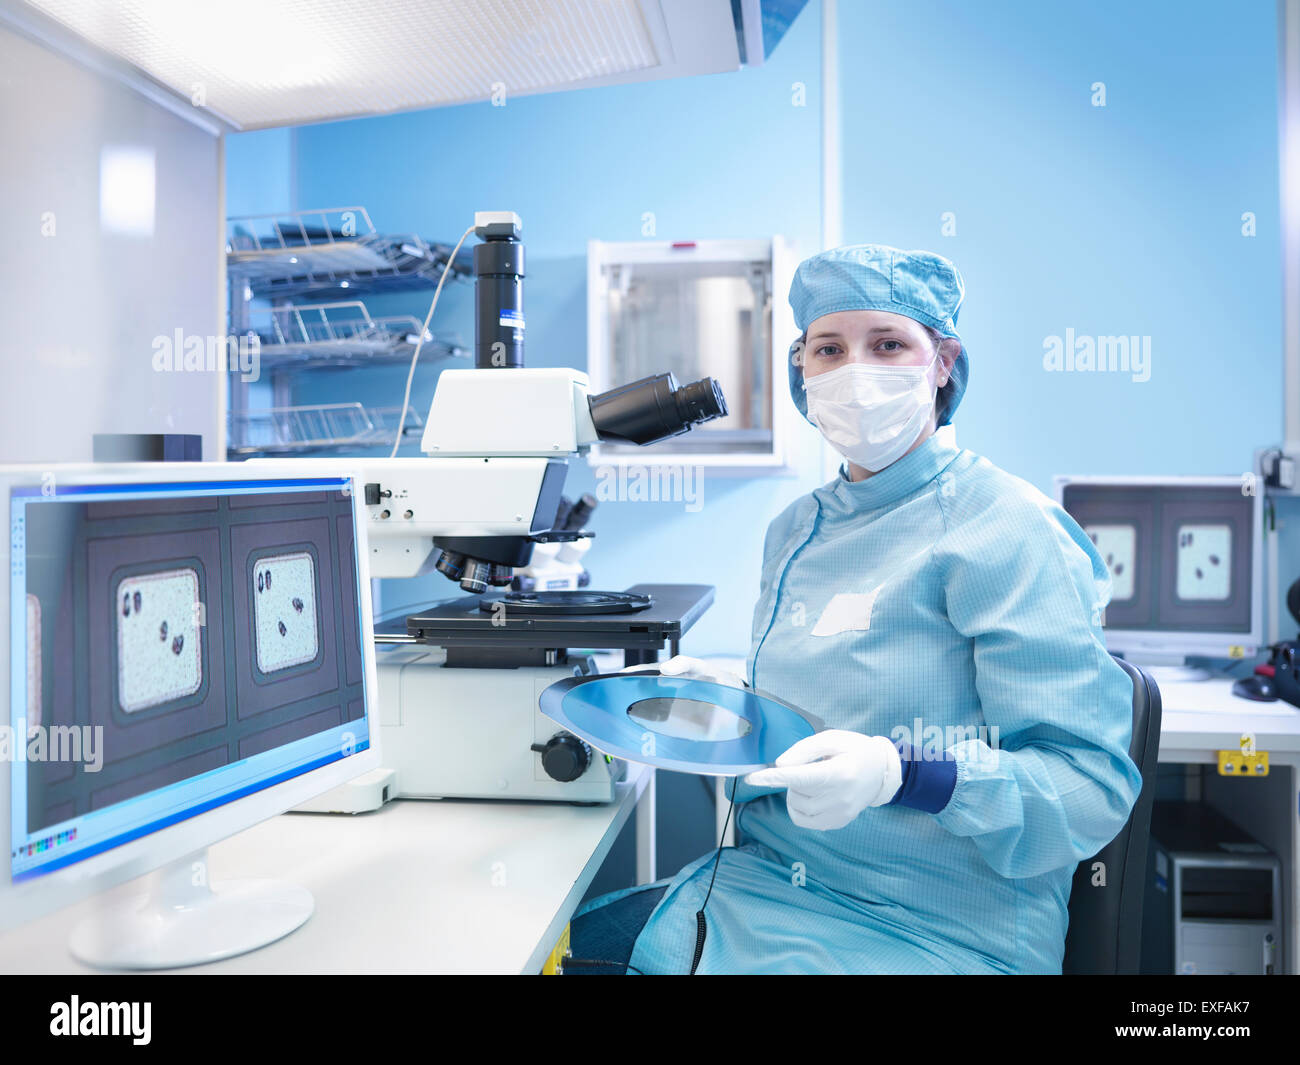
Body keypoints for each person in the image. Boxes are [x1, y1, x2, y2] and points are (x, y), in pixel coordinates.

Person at [567, 244, 1142, 975]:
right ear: (800, 373)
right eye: (829, 349)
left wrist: (905, 773)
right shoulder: (797, 528)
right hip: (769, 890)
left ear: (942, 362)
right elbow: (813, 713)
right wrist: (719, 708)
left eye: (889, 345)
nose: (855, 373)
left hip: (933, 935)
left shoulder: (1008, 527)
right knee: (537, 945)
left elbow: (1086, 785)